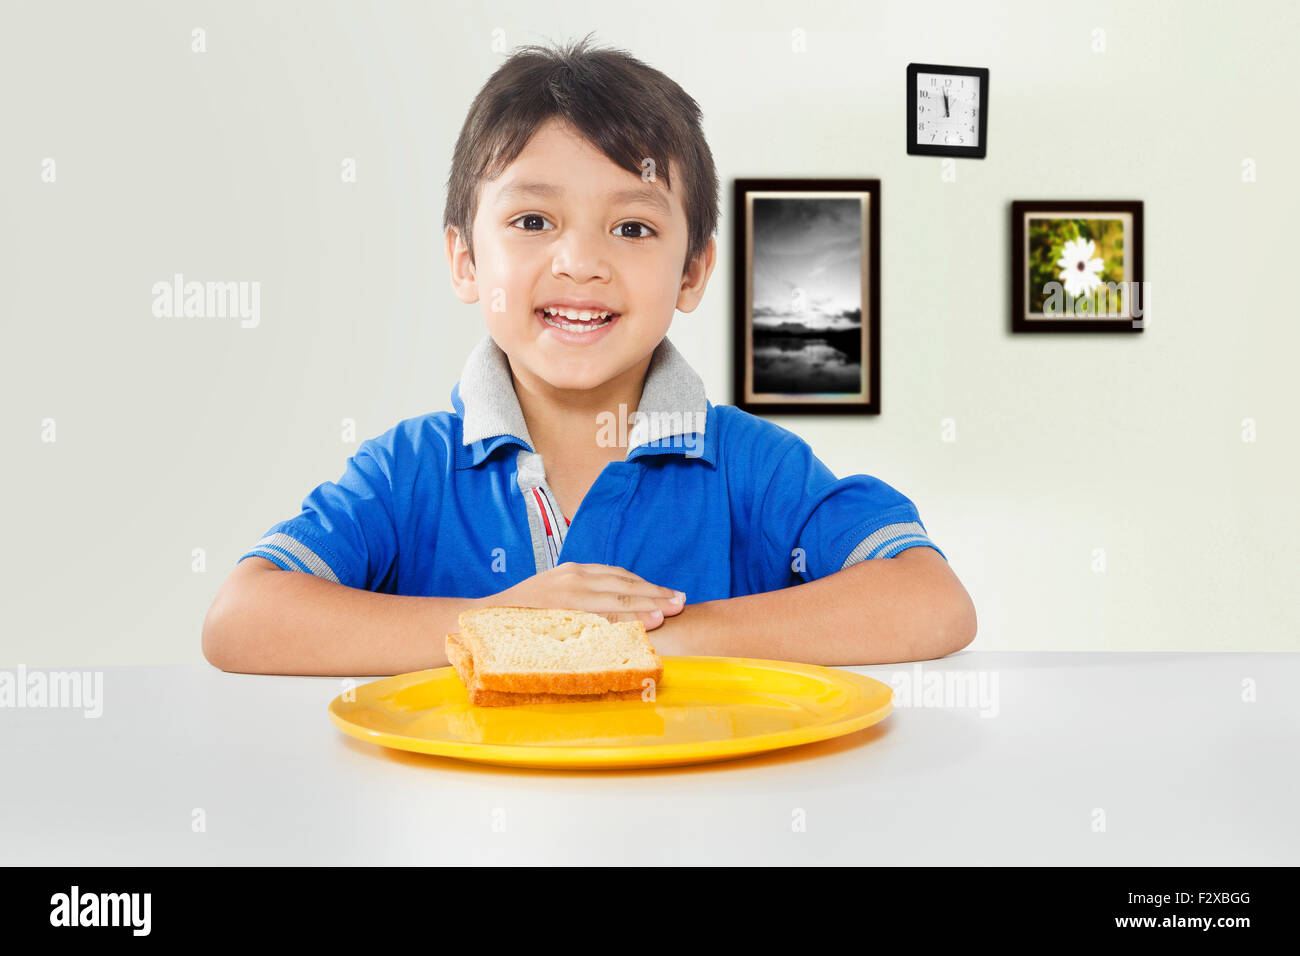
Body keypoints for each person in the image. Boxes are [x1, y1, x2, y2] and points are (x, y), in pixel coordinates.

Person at [201, 35, 976, 676]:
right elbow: (241, 619)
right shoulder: (409, 471)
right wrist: (507, 626)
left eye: (632, 229)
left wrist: (651, 639)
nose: (579, 261)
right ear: (465, 260)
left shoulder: (749, 466)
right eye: (534, 220)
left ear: (693, 272)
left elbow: (930, 599)